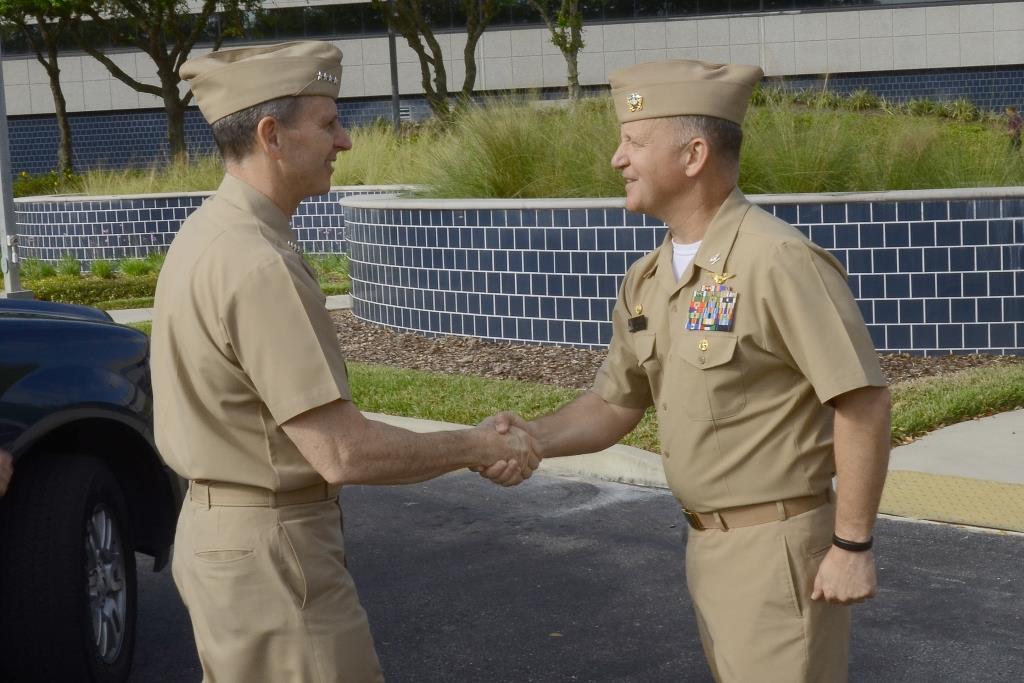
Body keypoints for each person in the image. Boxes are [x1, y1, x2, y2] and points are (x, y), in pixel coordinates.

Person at [481, 59, 891, 682]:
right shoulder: (647, 279)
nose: (618, 159)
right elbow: (615, 403)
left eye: (634, 141)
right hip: (707, 547)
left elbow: (861, 401)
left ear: (694, 154)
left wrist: (852, 544)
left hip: (777, 550)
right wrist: (531, 439)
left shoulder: (776, 260)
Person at [151, 41, 537, 682]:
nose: (345, 141)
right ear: (272, 135)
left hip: (226, 539)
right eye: (329, 123)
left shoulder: (209, 234)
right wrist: (474, 445)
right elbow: (342, 452)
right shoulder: (258, 262)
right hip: (274, 553)